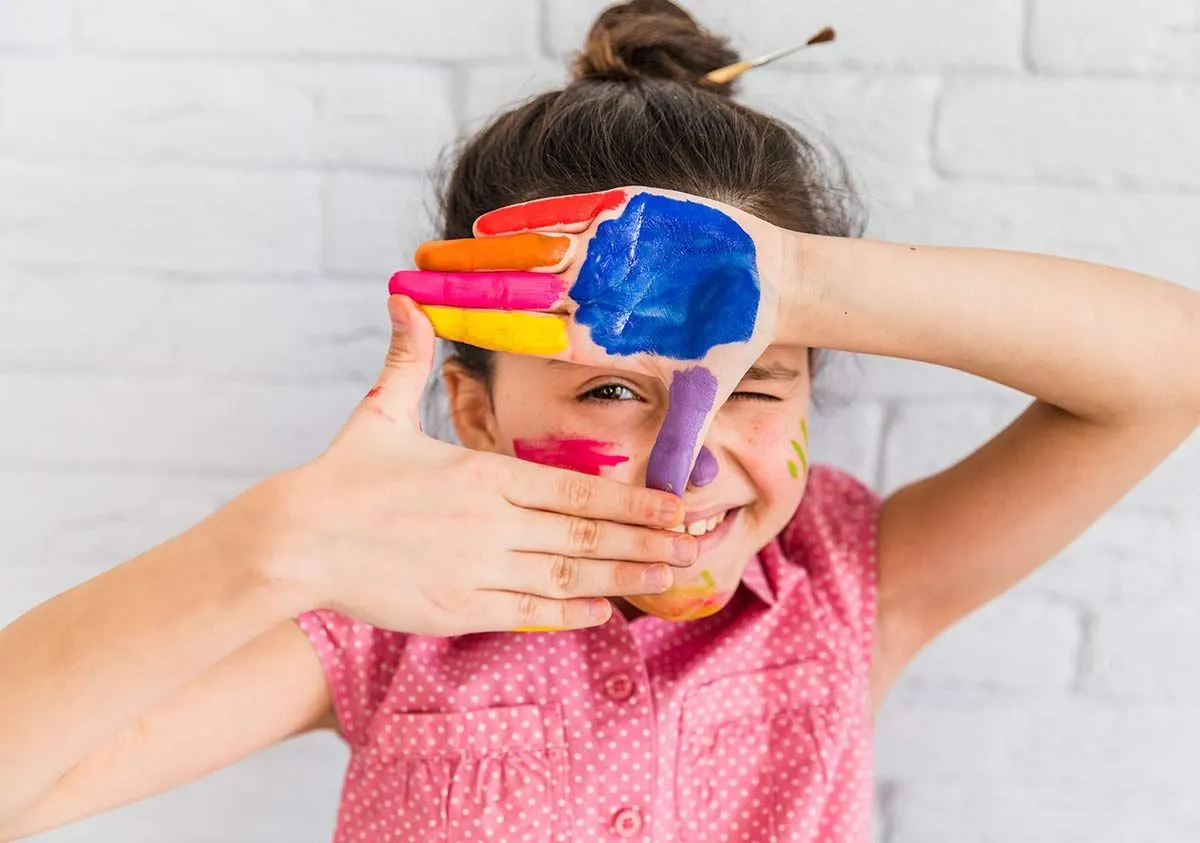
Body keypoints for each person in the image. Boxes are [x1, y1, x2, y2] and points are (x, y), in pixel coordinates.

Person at [2, 1, 1198, 841]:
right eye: (615, 389)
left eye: (756, 381)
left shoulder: (845, 580)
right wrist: (271, 546)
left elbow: (1172, 369)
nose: (690, 457)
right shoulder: (378, 623)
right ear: (470, 410)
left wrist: (803, 279)